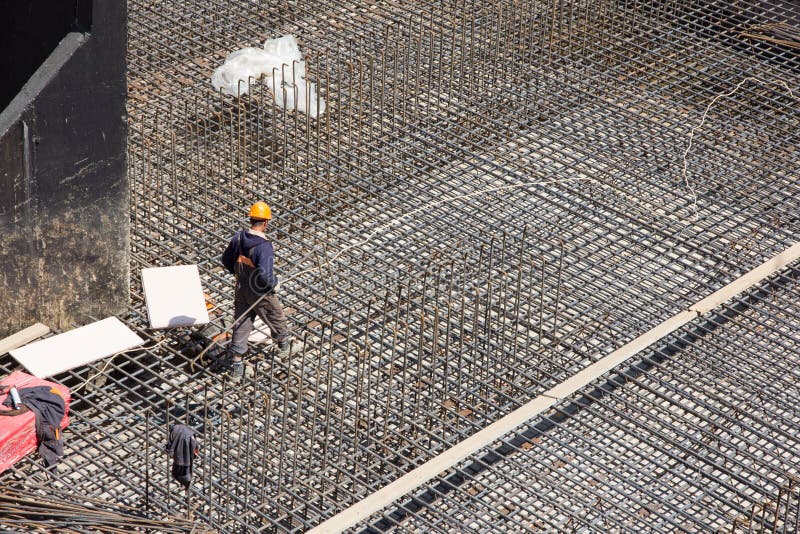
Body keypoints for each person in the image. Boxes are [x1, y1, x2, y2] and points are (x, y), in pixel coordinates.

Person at [221, 201, 292, 380]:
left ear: (251, 219)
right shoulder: (263, 246)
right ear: (266, 223)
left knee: (242, 323)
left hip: (241, 287)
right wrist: (273, 284)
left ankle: (237, 367)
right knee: (275, 314)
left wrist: (237, 273)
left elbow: (226, 259)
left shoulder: (238, 237)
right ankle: (284, 346)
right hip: (259, 290)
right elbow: (266, 274)